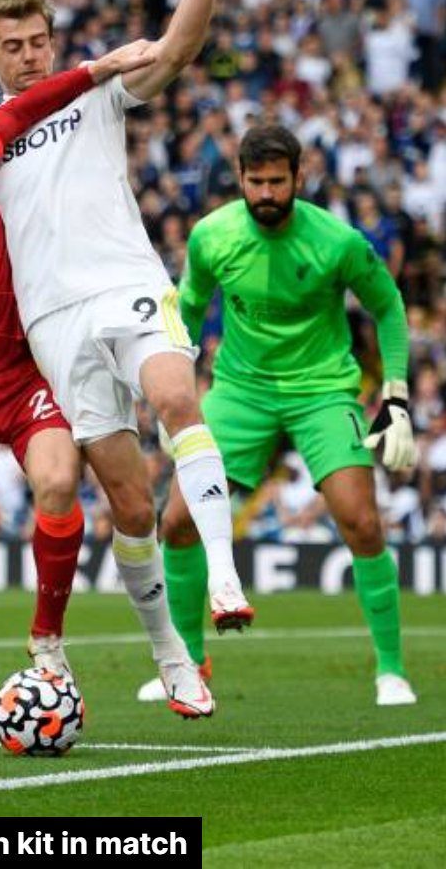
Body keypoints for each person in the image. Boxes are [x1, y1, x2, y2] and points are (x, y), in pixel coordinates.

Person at [0, 0, 266, 711]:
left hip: (126, 284)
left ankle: (227, 580)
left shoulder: (94, 95)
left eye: (38, 40)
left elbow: (175, 51)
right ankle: (169, 653)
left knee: (176, 395)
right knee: (130, 506)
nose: (30, 54)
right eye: (13, 45)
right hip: (52, 323)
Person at [0, 47, 218, 738]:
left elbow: (21, 111)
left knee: (57, 481)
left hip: (27, 369)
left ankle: (47, 640)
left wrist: (100, 66)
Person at [137, 125, 418, 708]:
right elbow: (186, 311)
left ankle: (391, 669)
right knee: (178, 522)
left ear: (298, 178)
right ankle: (189, 662)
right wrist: (174, 393)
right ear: (240, 178)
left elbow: (387, 304)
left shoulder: (337, 242)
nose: (266, 192)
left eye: (278, 181)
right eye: (256, 181)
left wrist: (395, 393)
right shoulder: (211, 237)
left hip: (322, 390)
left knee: (360, 521)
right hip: (240, 391)